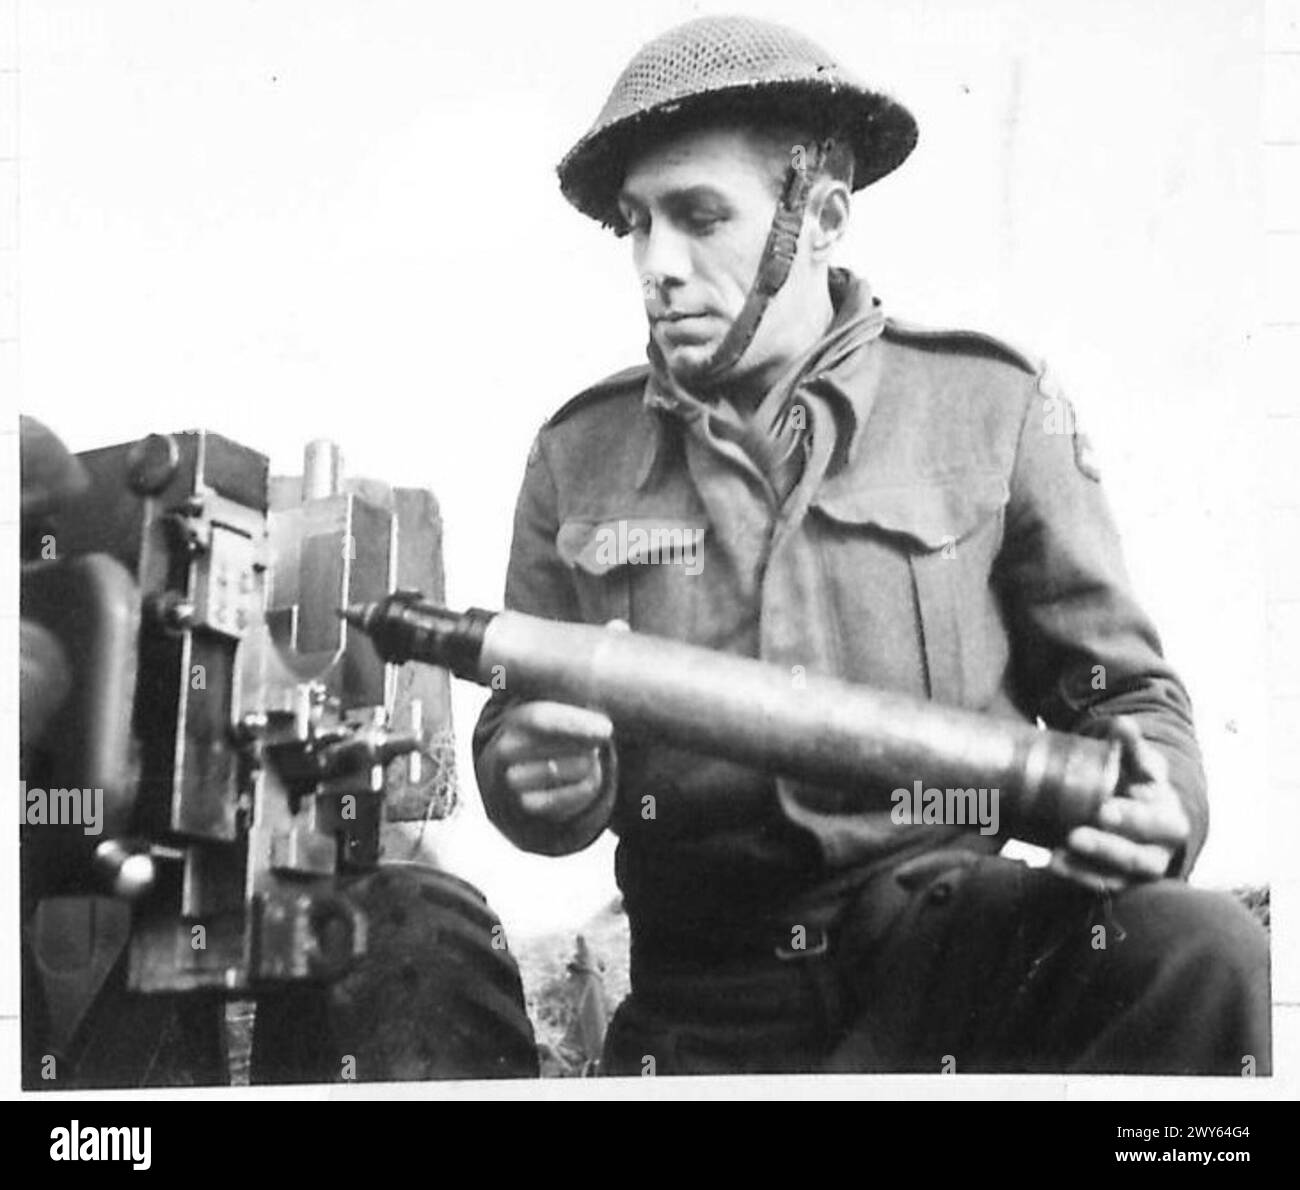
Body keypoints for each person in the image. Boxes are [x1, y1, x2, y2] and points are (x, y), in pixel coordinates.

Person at [472, 15, 1270, 1076]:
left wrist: (1158, 806)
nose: (656, 264)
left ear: (823, 214)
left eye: (699, 216)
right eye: (635, 223)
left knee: (1202, 954)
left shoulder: (987, 406)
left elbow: (1125, 700)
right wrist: (534, 777)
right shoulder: (579, 456)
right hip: (707, 1000)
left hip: (951, 956)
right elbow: (515, 731)